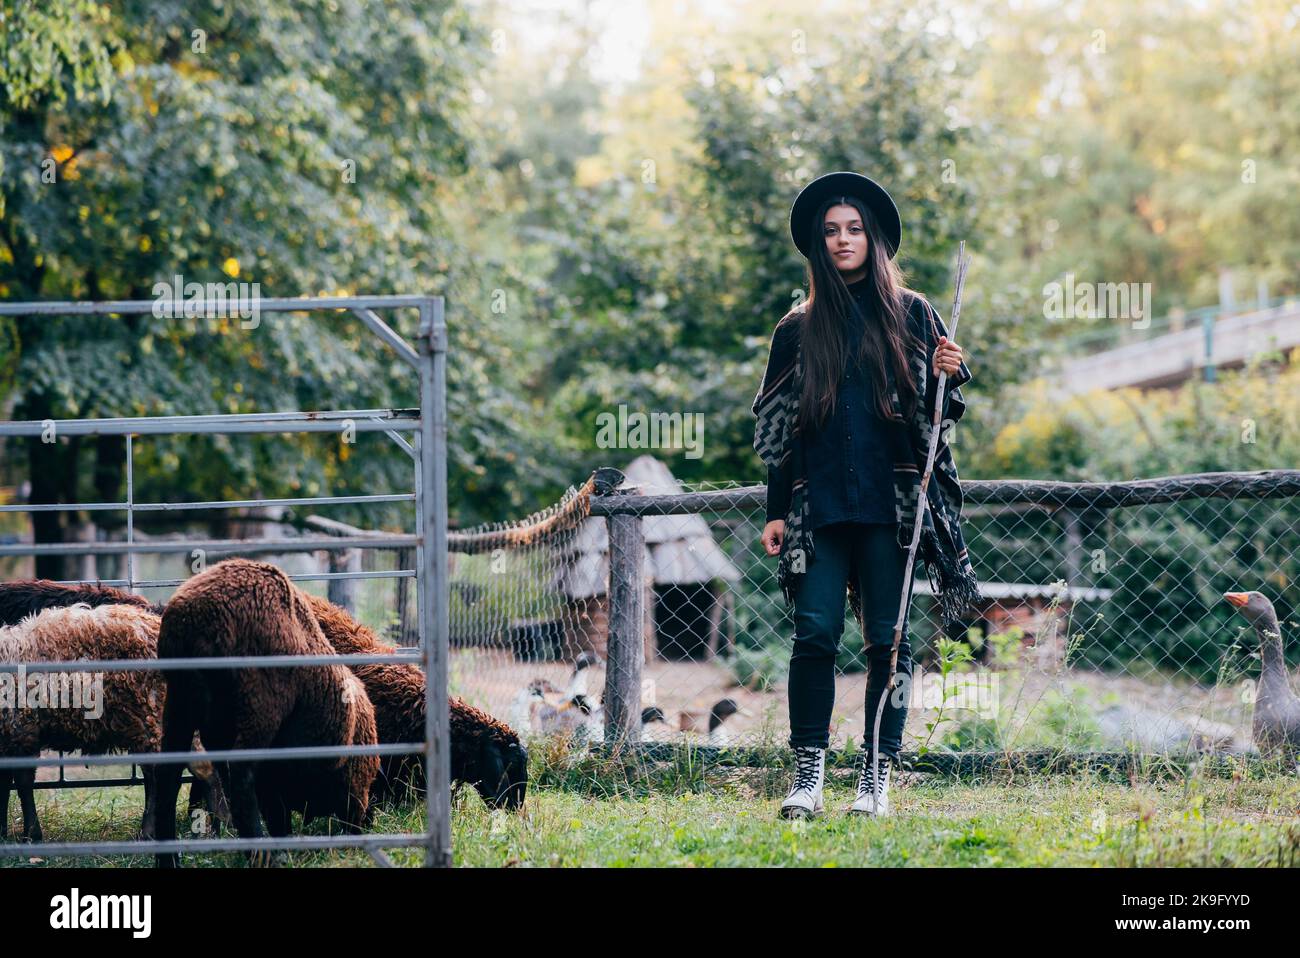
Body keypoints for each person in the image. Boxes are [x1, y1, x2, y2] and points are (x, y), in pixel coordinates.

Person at [751, 171, 978, 819]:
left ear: (873, 239)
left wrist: (950, 373)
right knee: (814, 633)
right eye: (831, 231)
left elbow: (937, 416)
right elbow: (777, 427)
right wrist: (775, 507)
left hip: (894, 503)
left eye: (853, 229)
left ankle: (875, 778)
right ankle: (808, 776)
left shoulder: (913, 312)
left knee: (890, 638)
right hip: (817, 506)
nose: (842, 240)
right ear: (818, 246)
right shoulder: (797, 329)